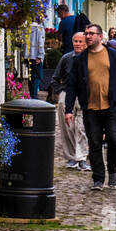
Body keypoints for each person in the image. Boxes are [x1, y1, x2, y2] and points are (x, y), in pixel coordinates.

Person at [64, 24, 116, 191]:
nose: (88, 37)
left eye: (91, 34)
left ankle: (113, 172)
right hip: (91, 108)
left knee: (115, 141)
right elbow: (72, 85)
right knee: (94, 143)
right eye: (86, 33)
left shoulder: (112, 55)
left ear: (100, 37)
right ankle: (98, 178)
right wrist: (68, 110)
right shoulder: (80, 59)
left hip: (112, 107)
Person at [49, 31, 90, 170]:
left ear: (86, 43)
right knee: (68, 128)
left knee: (82, 127)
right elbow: (54, 78)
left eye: (80, 41)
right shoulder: (67, 58)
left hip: (84, 95)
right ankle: (72, 157)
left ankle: (82, 157)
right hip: (67, 94)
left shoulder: (90, 58)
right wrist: (61, 92)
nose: (77, 44)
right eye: (75, 41)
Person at [25, 17, 46, 98]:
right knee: (38, 76)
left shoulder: (26, 27)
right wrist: (40, 55)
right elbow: (40, 42)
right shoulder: (39, 28)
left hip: (28, 55)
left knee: (31, 75)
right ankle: (34, 96)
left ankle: (31, 95)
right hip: (36, 55)